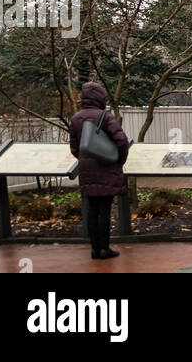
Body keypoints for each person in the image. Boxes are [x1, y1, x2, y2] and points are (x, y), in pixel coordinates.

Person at [68, 81, 130, 260]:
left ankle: (94, 249)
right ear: (99, 97)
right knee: (105, 209)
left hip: (86, 169)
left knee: (92, 209)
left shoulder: (76, 118)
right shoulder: (105, 116)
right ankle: (104, 248)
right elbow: (121, 141)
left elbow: (74, 148)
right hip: (106, 168)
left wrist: (85, 160)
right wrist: (118, 160)